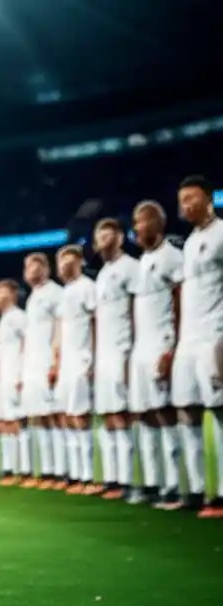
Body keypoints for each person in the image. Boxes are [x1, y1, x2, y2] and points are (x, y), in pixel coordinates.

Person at [171, 175, 223, 518]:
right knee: (185, 410)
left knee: (219, 411)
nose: (186, 205)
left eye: (192, 197)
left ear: (208, 198)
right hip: (187, 340)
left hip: (214, 334)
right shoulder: (188, 244)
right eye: (182, 199)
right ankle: (193, 489)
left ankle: (219, 495)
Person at [128, 200, 185, 509]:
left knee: (165, 414)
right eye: (135, 222)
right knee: (143, 416)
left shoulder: (173, 257)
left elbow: (179, 302)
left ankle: (177, 486)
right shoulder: (141, 264)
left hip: (160, 345)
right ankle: (154, 482)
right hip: (140, 348)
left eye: (143, 221)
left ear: (158, 224)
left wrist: (170, 347)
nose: (137, 227)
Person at [91, 218, 139, 500]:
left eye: (108, 234)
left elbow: (136, 311)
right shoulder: (102, 275)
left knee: (125, 415)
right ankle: (114, 479)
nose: (102, 240)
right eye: (99, 235)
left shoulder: (130, 268)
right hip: (104, 356)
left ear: (120, 237)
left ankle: (133, 480)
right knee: (109, 417)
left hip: (124, 350)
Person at [56, 245, 98, 493]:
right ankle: (75, 474)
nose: (63, 265)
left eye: (68, 260)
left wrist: (92, 358)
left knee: (81, 417)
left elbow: (96, 322)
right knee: (69, 417)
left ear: (79, 261)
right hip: (66, 363)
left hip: (82, 358)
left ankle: (89, 476)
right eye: (60, 262)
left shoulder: (87, 287)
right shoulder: (65, 293)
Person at [21, 252, 63, 489]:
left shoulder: (54, 293)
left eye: (35, 265)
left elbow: (60, 328)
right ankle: (47, 471)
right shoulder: (32, 298)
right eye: (27, 267)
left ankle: (62, 472)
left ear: (46, 268)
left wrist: (56, 360)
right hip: (34, 366)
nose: (30, 270)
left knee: (54, 418)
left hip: (48, 362)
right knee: (39, 418)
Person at [0, 279, 30, 485]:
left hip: (15, 375)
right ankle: (9, 468)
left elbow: (27, 344)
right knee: (6, 423)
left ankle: (23, 469)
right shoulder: (4, 320)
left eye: (2, 292)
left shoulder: (18, 317)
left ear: (14, 294)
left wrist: (21, 374)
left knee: (18, 422)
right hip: (4, 376)